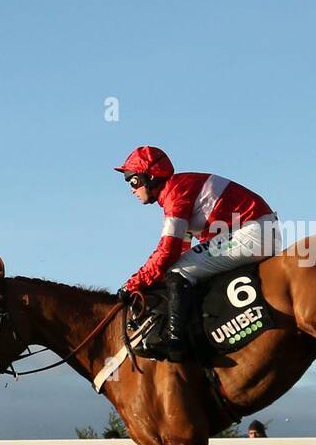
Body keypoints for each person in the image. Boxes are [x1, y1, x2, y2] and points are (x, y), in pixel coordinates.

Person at [115, 146, 280, 362]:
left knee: (177, 271)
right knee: (179, 270)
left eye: (133, 180)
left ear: (151, 176)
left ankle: (176, 342)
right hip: (254, 230)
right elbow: (181, 250)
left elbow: (168, 252)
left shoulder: (176, 193)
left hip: (252, 232)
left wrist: (134, 283)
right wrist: (152, 281)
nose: (131, 188)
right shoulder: (176, 190)